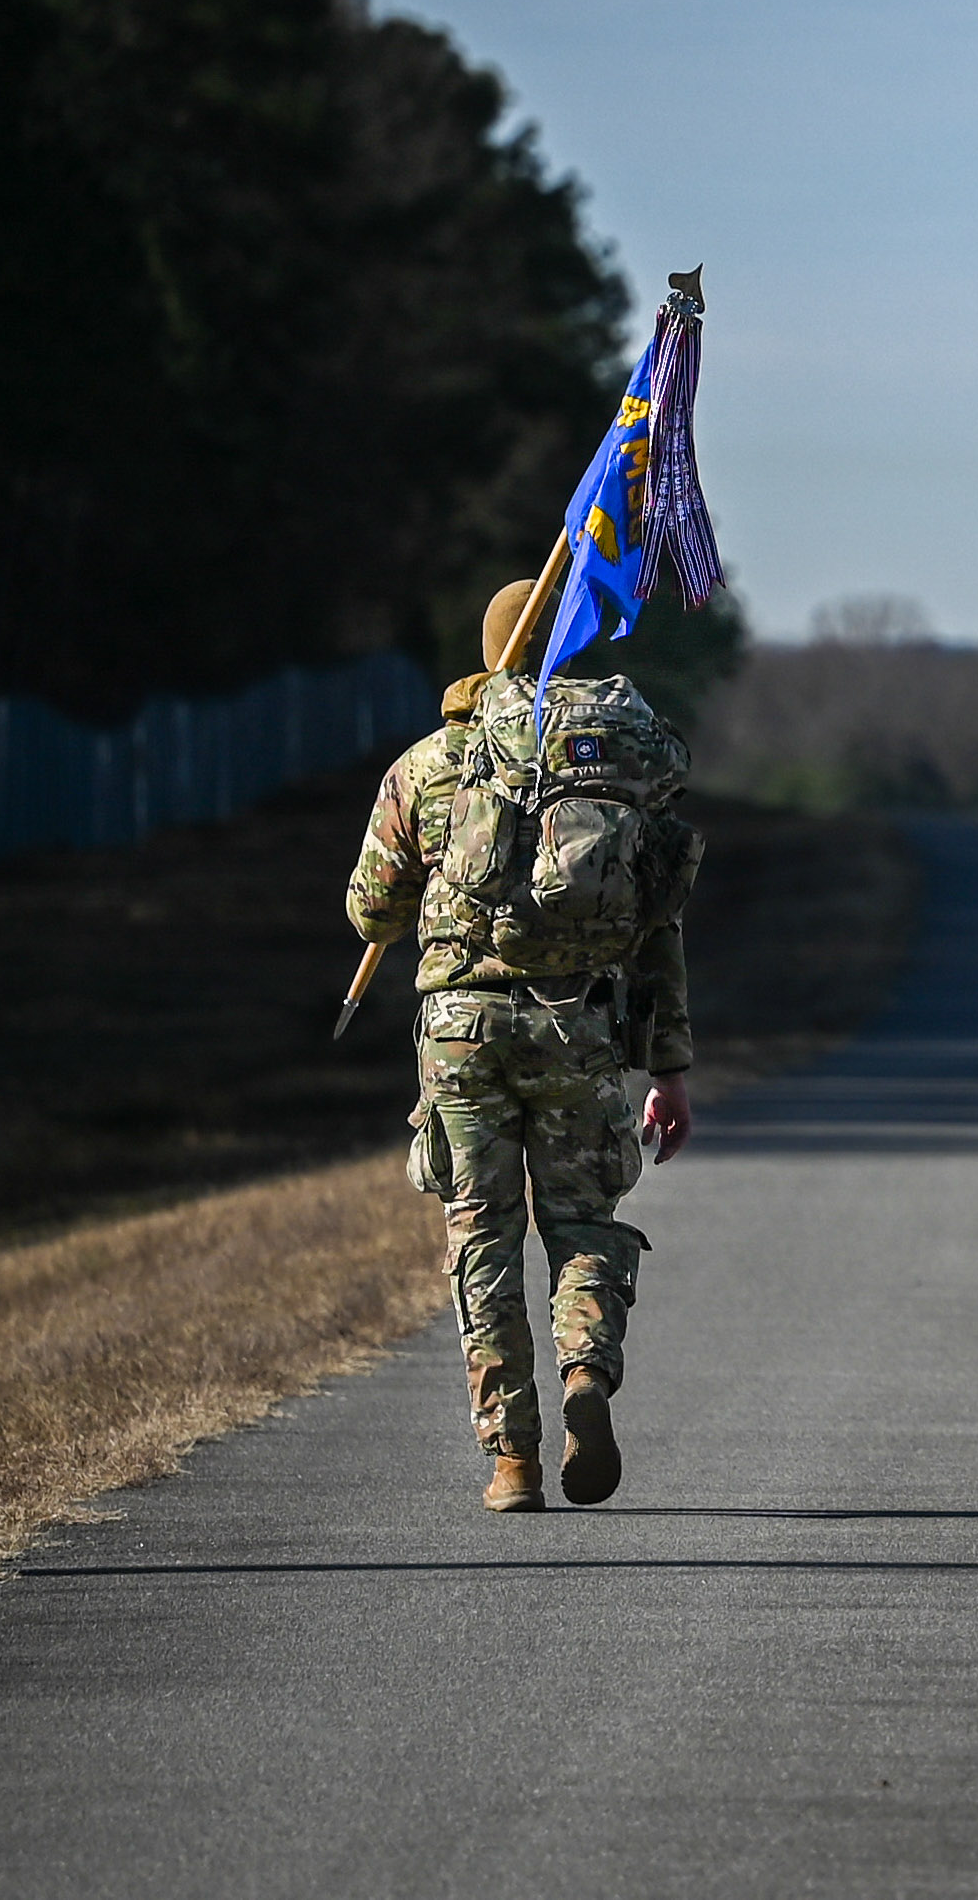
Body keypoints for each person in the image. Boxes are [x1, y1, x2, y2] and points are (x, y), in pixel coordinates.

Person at [347, 581, 699, 1513]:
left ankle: (513, 1458)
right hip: (580, 1023)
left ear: (490, 643)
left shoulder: (430, 765)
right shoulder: (614, 763)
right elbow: (659, 922)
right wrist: (668, 1066)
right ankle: (587, 1373)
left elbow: (370, 907)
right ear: (568, 644)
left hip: (461, 1035)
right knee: (584, 1225)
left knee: (483, 1237)